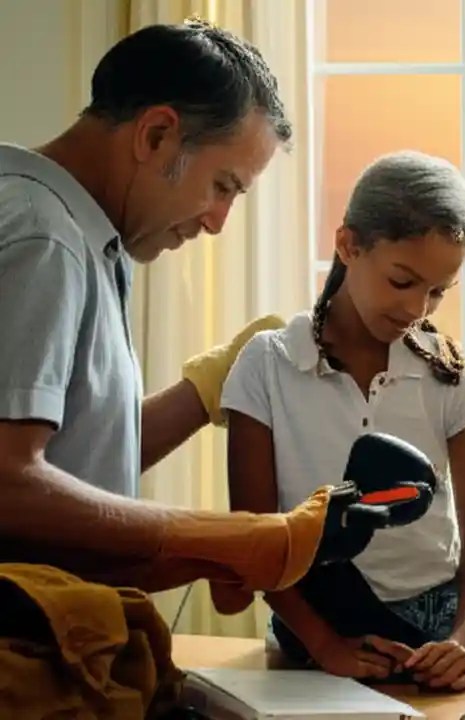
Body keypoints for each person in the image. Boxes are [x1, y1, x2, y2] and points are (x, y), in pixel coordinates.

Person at [0, 19, 322, 595]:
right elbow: (7, 481)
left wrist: (204, 391)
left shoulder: (68, 230)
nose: (218, 222)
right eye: (223, 185)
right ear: (155, 136)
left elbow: (77, 461)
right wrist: (213, 536)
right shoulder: (42, 239)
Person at [222, 151, 465, 690]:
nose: (419, 308)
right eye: (403, 281)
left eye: (438, 291)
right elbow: (253, 535)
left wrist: (464, 645)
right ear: (349, 245)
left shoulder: (454, 380)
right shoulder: (267, 366)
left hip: (430, 634)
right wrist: (325, 645)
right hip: (309, 625)